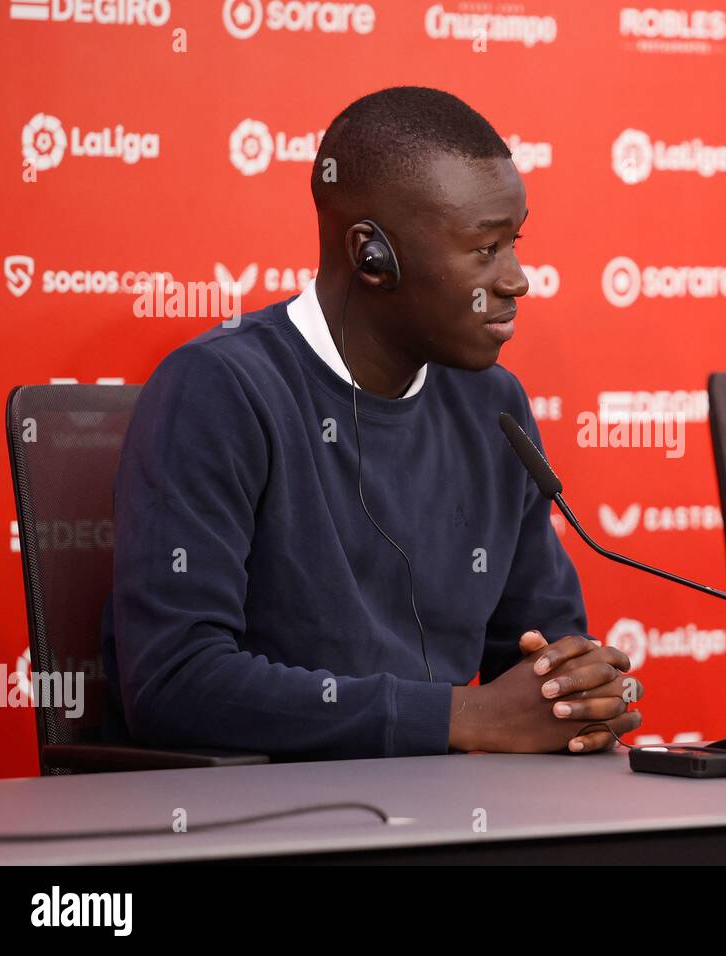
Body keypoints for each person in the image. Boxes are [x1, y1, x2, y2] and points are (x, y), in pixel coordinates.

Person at [101, 87, 643, 759]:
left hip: (448, 814)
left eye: (515, 241)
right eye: (484, 249)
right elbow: (173, 682)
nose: (517, 279)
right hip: (267, 823)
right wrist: (457, 717)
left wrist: (578, 694)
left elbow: (537, 654)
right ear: (372, 257)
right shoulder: (220, 390)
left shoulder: (493, 404)